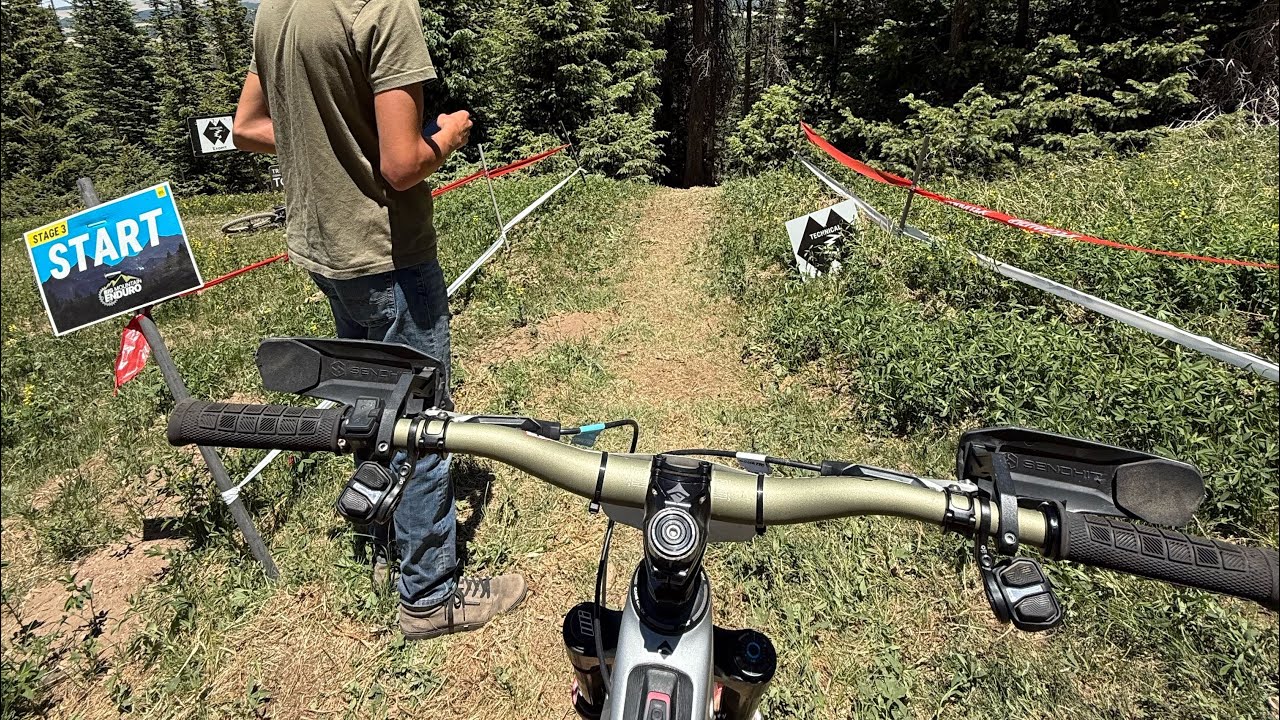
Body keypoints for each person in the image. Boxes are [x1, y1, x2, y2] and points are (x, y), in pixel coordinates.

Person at [231, 0, 526, 639]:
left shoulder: (276, 10)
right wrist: (448, 135)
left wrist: (329, 148)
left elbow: (247, 127)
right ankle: (429, 594)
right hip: (387, 252)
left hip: (324, 250)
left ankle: (385, 523)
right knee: (421, 422)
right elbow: (401, 165)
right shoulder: (384, 8)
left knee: (370, 406)